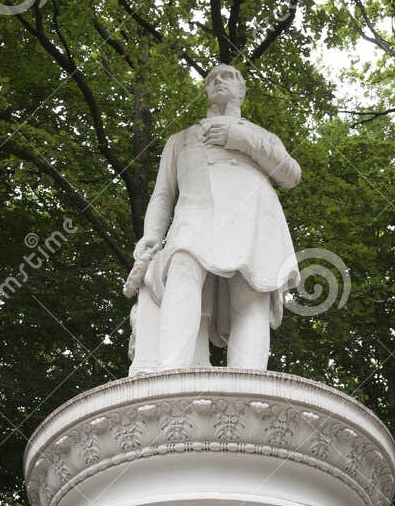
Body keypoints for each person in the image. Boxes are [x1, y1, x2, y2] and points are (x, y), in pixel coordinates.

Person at [126, 64, 302, 372]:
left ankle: (248, 383)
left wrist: (244, 140)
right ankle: (172, 372)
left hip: (254, 216)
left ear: (241, 89)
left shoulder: (261, 135)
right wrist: (151, 235)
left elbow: (290, 175)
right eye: (211, 79)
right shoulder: (180, 139)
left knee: (252, 293)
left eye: (227, 76)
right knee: (182, 267)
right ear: (206, 90)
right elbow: (163, 194)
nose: (218, 80)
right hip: (195, 215)